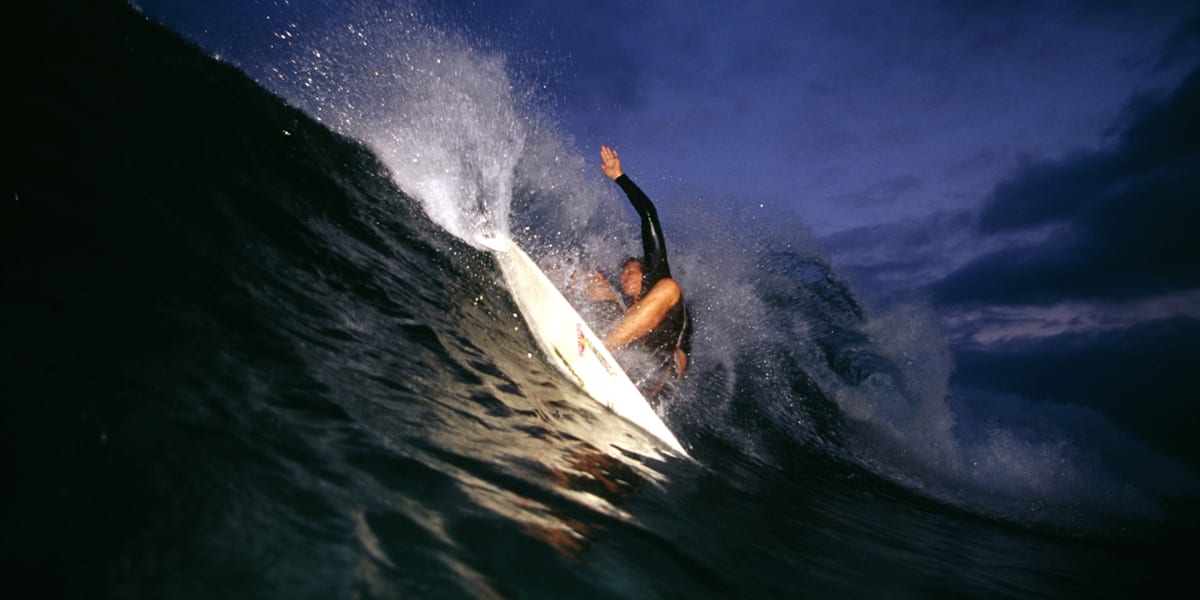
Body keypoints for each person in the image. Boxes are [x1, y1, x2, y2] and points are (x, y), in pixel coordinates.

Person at [596, 145, 692, 395]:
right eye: (623, 273)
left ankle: (599, 350)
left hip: (656, 378)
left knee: (669, 288)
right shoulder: (629, 305)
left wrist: (619, 177)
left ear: (646, 273)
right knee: (594, 280)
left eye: (630, 271)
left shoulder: (658, 278)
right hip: (625, 362)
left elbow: (649, 214)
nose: (623, 277)